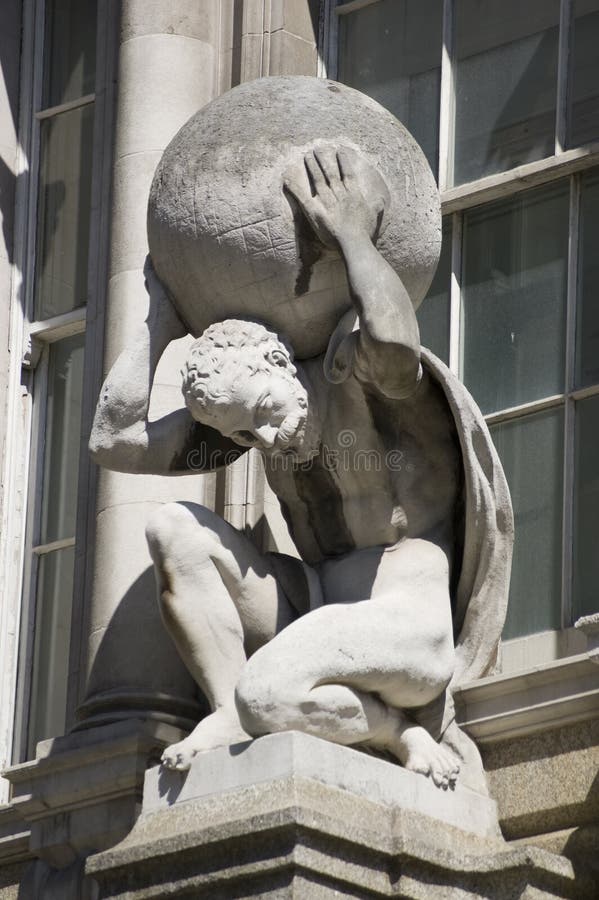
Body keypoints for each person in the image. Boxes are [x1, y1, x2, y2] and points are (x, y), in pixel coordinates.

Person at [90, 148, 512, 791]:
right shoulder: (251, 429)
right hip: (311, 603)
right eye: (239, 432)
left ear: (284, 367)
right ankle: (240, 708)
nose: (262, 436)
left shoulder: (360, 381)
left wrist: (351, 235)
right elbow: (114, 442)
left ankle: (390, 729)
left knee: (267, 694)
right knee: (174, 529)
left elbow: (398, 345)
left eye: (264, 410)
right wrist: (160, 320)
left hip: (403, 613)